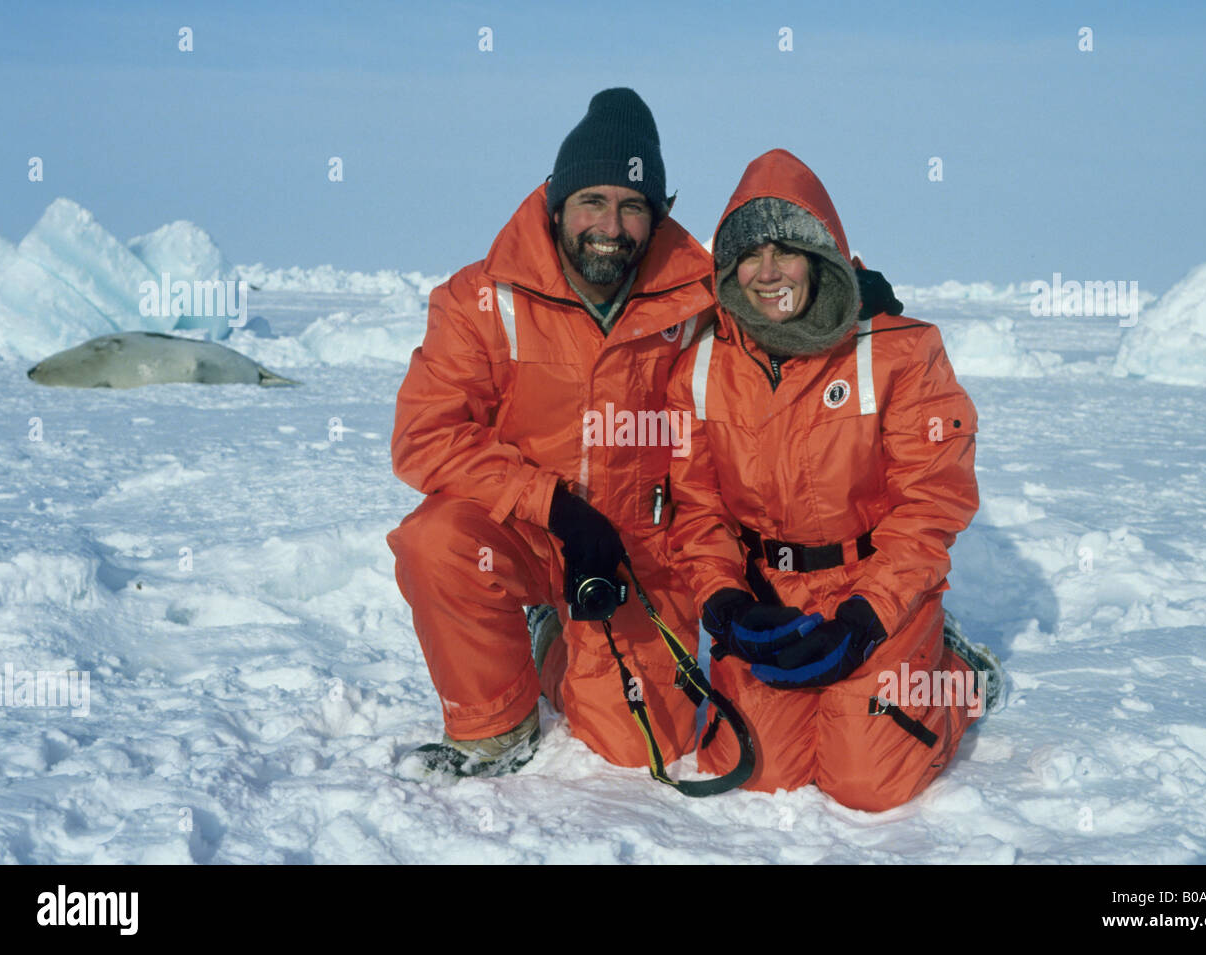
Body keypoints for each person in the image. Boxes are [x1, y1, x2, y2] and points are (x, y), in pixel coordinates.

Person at [387, 89, 719, 777]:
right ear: (556, 203)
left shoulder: (698, 300)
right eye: (593, 201)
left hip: (639, 550)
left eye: (633, 206)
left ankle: (557, 642)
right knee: (438, 540)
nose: (612, 224)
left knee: (642, 744)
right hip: (531, 528)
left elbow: (781, 287)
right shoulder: (481, 299)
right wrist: (554, 506)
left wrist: (850, 295)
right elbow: (425, 435)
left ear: (657, 218)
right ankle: (495, 725)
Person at [666, 149, 1002, 811]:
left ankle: (955, 672)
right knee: (753, 768)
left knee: (867, 783)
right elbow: (695, 508)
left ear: (821, 256)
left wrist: (866, 617)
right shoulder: (700, 369)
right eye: (748, 252)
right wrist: (726, 604)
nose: (767, 272)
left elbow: (931, 505)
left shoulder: (900, 351)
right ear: (727, 263)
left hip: (876, 586)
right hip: (771, 595)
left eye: (786, 249)